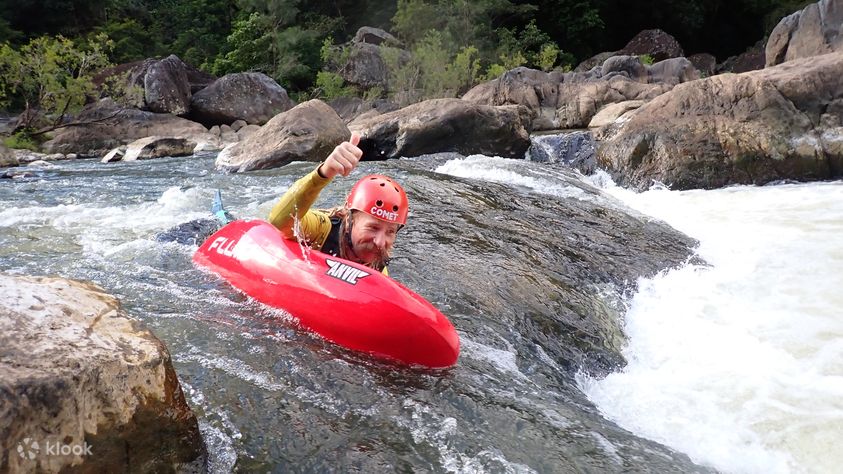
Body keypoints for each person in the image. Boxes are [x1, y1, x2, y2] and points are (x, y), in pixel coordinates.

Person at [267, 133, 408, 274]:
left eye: (390, 232)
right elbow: (278, 221)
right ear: (348, 220)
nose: (380, 242)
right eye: (372, 227)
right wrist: (324, 173)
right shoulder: (322, 229)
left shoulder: (380, 267)